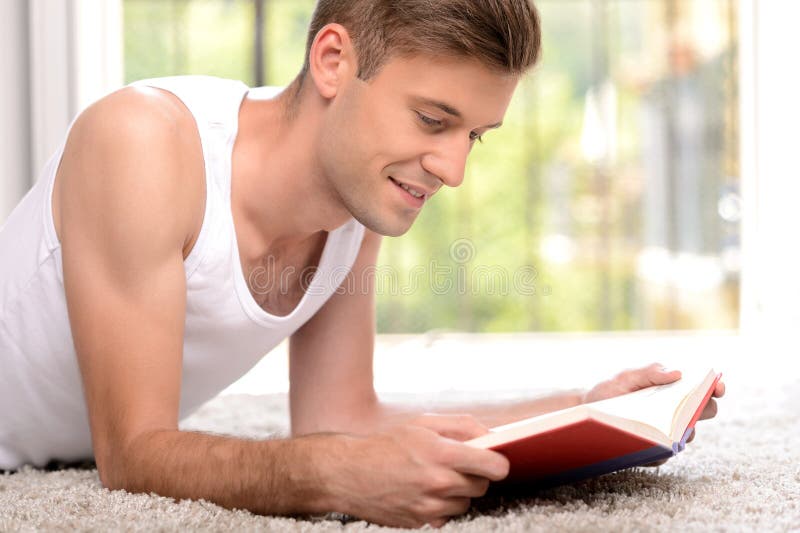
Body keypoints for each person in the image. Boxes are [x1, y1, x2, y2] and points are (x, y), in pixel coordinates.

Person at [0, 0, 724, 528]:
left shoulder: (356, 201)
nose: (452, 169)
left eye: (475, 136)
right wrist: (331, 476)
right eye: (433, 121)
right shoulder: (142, 143)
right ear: (333, 62)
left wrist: (583, 407)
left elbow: (342, 416)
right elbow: (132, 453)